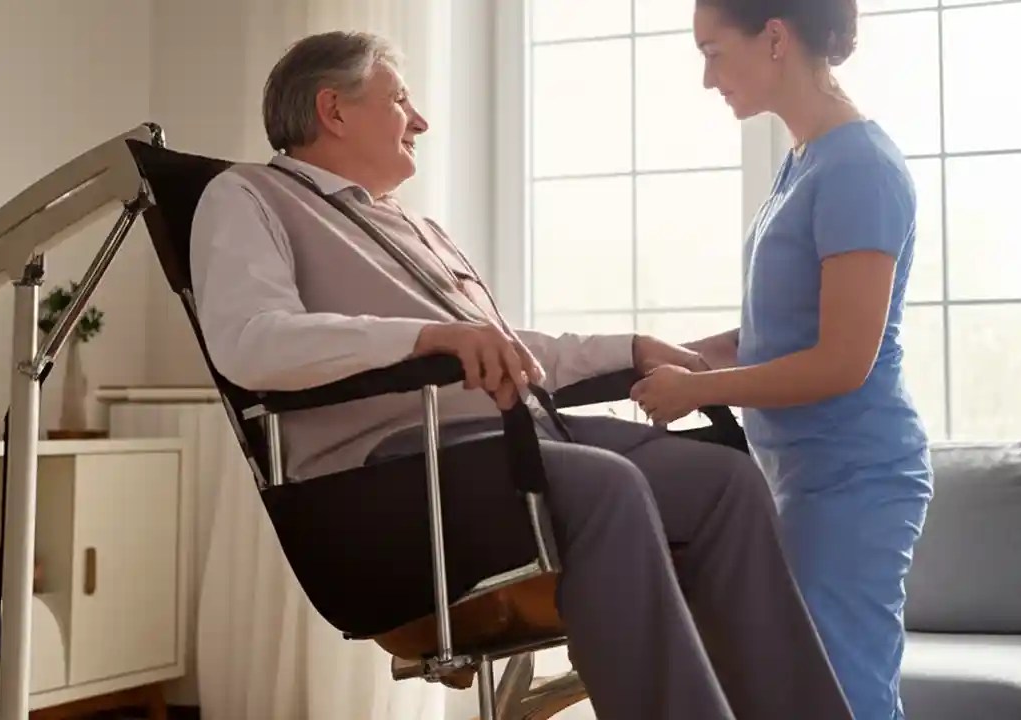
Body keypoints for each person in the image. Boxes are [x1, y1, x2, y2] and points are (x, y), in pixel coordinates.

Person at [189, 30, 852, 720]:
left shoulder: (418, 229)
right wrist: (427, 336)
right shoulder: (249, 196)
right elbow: (250, 343)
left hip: (514, 443)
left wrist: (632, 349)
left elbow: (508, 350)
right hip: (389, 475)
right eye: (401, 100)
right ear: (333, 110)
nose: (420, 121)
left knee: (724, 481)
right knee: (607, 485)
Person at [631, 1, 934, 718]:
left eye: (713, 52)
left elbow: (842, 361)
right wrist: (680, 359)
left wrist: (697, 391)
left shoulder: (859, 167)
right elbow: (779, 333)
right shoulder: (805, 159)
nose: (708, 79)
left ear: (774, 38)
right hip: (800, 476)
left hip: (854, 479)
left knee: (841, 699)